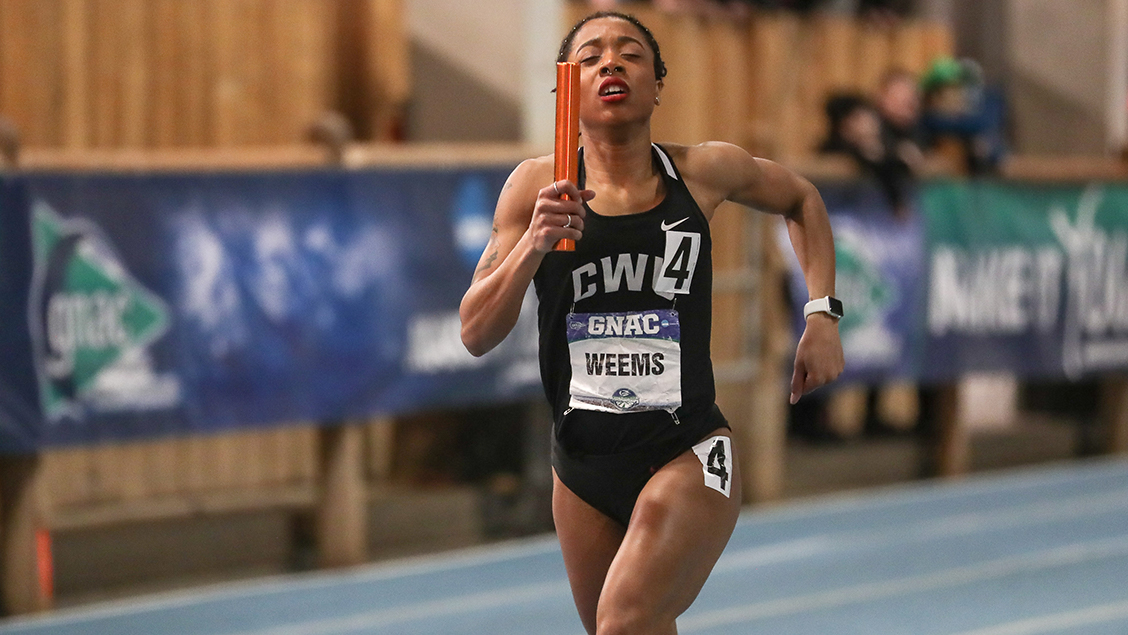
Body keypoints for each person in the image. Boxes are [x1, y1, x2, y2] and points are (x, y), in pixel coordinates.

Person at [459, 11, 843, 634]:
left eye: (630, 53)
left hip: (686, 449)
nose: (610, 62)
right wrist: (533, 243)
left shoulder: (703, 172)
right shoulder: (535, 187)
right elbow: (475, 333)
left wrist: (822, 312)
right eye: (590, 57)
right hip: (581, 466)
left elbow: (801, 197)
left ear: (658, 84)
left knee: (624, 619)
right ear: (566, 90)